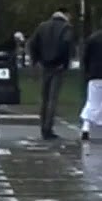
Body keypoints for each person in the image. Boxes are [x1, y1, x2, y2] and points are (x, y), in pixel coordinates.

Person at [29, 8, 76, 139]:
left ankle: (43, 126)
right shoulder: (66, 27)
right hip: (58, 67)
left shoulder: (42, 26)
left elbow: (33, 43)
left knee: (44, 98)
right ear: (66, 14)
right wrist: (64, 63)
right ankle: (48, 128)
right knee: (52, 99)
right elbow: (66, 45)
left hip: (45, 65)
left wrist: (36, 60)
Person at [79, 16, 102, 140]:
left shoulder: (93, 38)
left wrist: (87, 72)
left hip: (95, 75)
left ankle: (86, 127)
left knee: (92, 102)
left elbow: (85, 57)